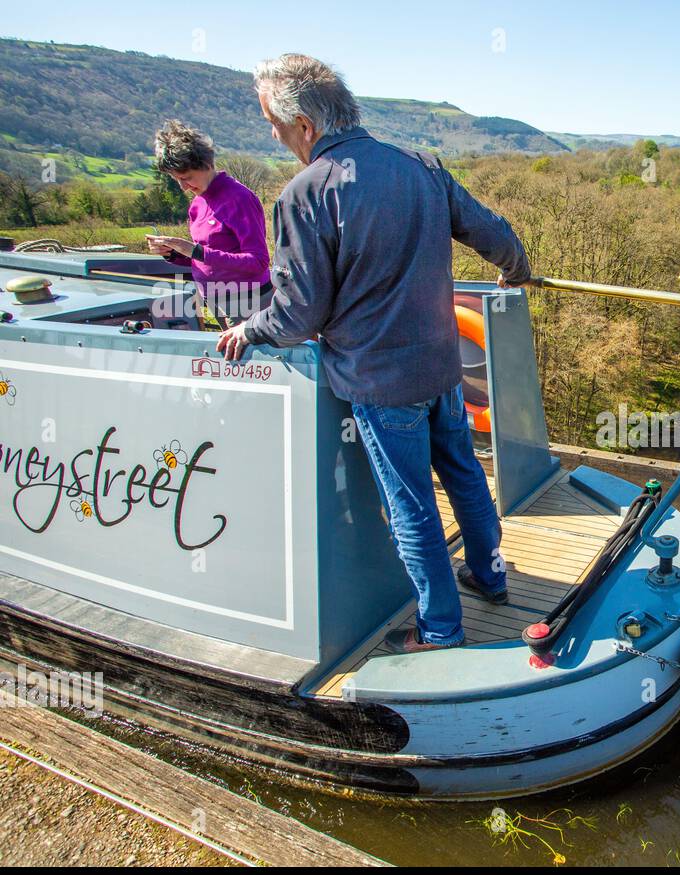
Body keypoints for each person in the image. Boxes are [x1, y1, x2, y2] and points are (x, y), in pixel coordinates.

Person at [217, 54, 531, 653]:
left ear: (305, 125)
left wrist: (249, 329)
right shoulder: (422, 166)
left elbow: (297, 315)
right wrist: (517, 269)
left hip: (380, 382)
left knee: (411, 506)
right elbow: (492, 232)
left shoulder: (304, 195)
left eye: (274, 125)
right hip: (442, 366)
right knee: (464, 475)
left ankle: (440, 631)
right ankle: (490, 576)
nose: (275, 138)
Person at [147, 120, 272, 324]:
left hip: (247, 301)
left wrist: (195, 251)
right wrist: (175, 253)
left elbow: (258, 261)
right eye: (176, 180)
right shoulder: (197, 204)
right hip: (217, 301)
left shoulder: (239, 199)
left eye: (186, 178)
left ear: (205, 164)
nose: (183, 187)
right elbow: (209, 260)